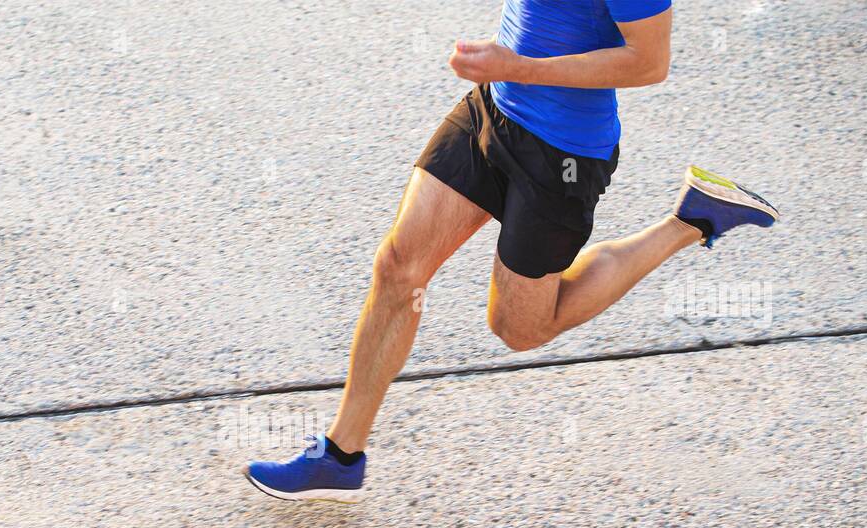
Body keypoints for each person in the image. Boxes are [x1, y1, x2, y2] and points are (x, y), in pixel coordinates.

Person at [244, 0, 777, 502]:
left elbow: (648, 62)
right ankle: (341, 455)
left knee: (521, 328)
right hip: (491, 107)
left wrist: (518, 65)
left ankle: (692, 219)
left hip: (563, 155)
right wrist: (505, 69)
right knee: (398, 268)